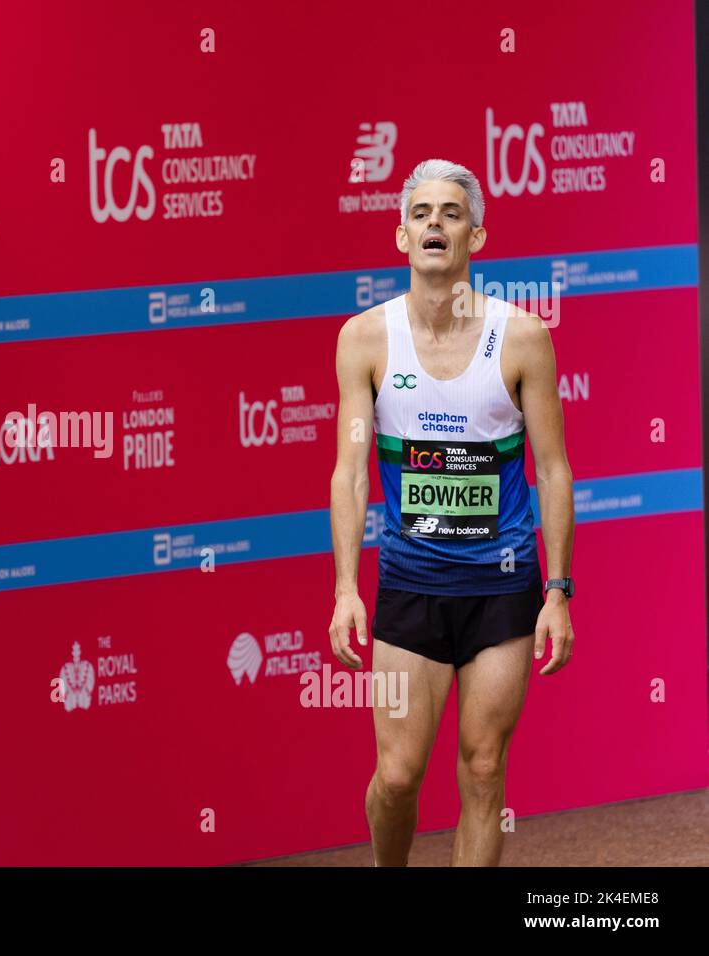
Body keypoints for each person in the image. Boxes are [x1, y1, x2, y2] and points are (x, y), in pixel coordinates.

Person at [327, 158, 576, 866]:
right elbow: (351, 470)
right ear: (401, 236)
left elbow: (552, 471)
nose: (435, 223)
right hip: (411, 585)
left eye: (451, 213)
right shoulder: (365, 339)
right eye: (422, 214)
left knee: (483, 767)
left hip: (502, 586)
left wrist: (557, 592)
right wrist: (346, 588)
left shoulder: (523, 336)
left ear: (477, 237)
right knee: (399, 777)